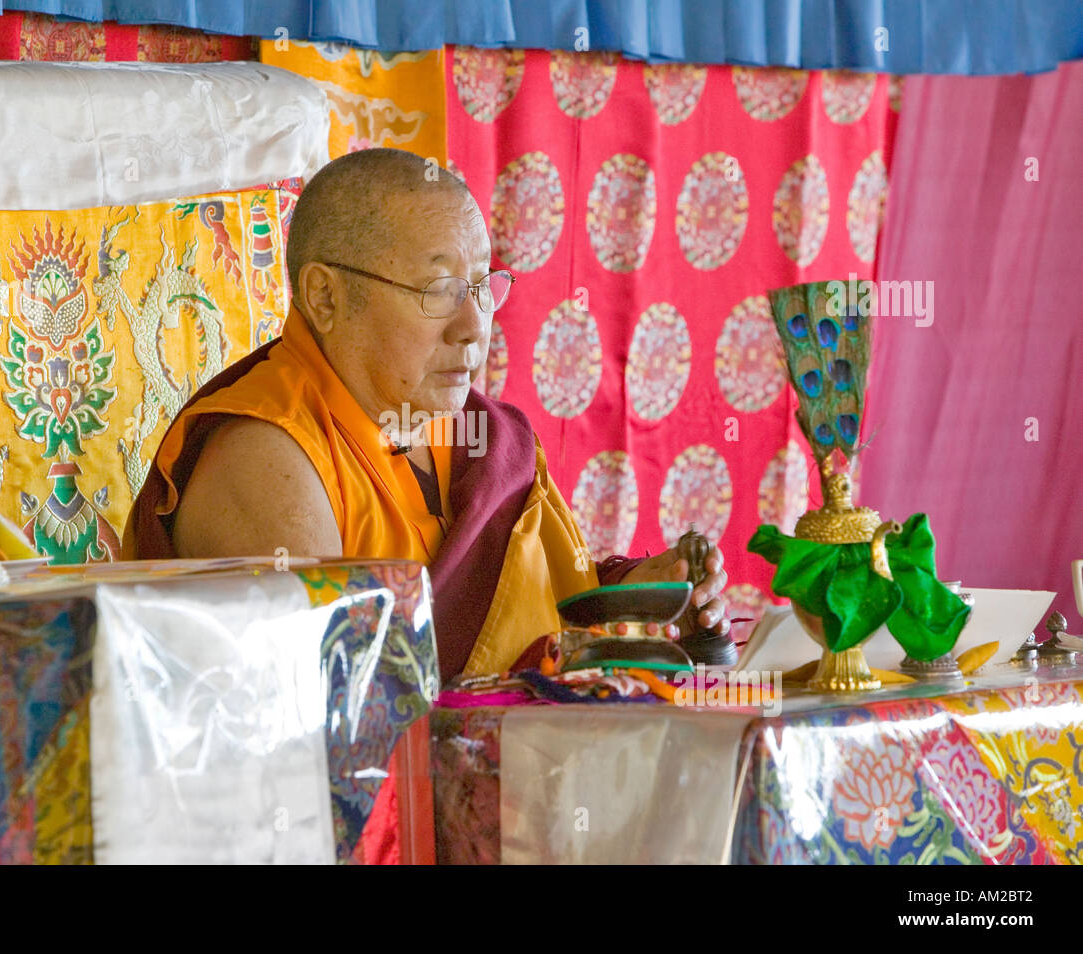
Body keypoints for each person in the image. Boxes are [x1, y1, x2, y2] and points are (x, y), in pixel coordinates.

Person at [124, 148, 729, 682]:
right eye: (438, 291)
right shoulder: (266, 456)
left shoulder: (483, 439)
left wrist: (628, 599)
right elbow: (346, 705)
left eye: (483, 286)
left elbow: (518, 608)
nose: (473, 329)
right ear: (325, 297)